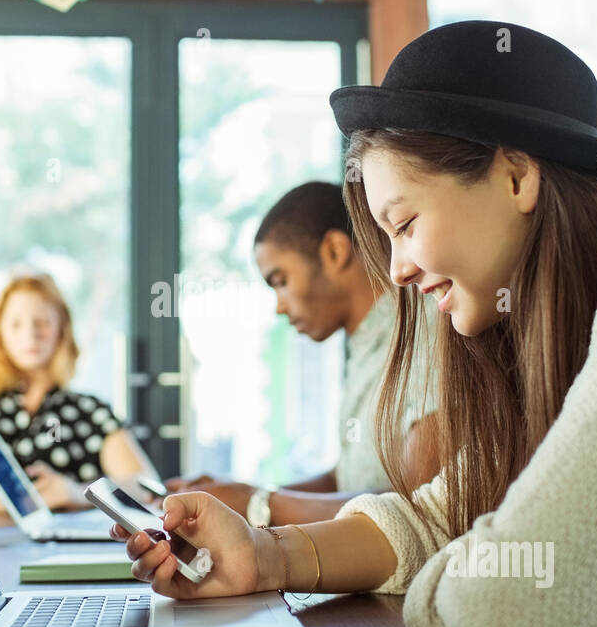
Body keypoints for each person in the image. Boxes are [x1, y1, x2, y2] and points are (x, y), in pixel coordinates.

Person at [114, 20, 597, 627]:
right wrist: (264, 555)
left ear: (517, 176)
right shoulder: (532, 345)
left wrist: (447, 567)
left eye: (406, 223)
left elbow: (494, 597)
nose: (397, 270)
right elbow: (433, 518)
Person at [166, 181, 440, 524]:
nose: (280, 307)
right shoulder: (366, 344)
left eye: (280, 280)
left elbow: (414, 506)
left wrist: (258, 504)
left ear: (335, 252)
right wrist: (239, 496)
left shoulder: (428, 332)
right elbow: (346, 481)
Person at [0, 271, 155, 515]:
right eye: (16, 323)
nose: (30, 333)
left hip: (59, 549)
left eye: (42, 322)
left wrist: (76, 492)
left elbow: (145, 484)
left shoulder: (90, 412)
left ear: (61, 330)